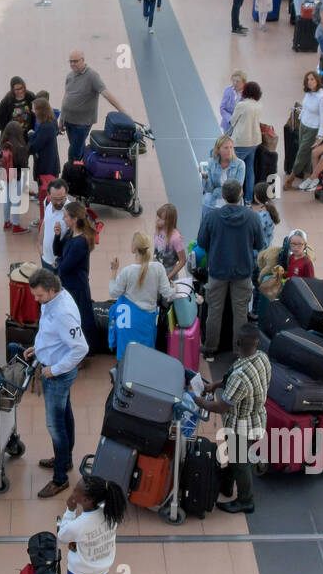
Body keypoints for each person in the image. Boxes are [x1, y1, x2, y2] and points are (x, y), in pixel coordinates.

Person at [24, 269, 89, 498]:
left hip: (58, 376)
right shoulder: (52, 301)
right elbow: (48, 331)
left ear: (52, 290)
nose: (36, 299)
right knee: (65, 414)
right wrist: (38, 348)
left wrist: (54, 369)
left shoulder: (63, 312)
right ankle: (65, 459)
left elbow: (81, 348)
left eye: (39, 295)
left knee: (55, 427)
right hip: (54, 368)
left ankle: (60, 478)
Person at [191, 325, 269, 513]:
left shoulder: (240, 377)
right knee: (236, 457)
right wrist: (215, 385)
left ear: (238, 342)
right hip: (257, 418)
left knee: (239, 462)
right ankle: (226, 486)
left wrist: (199, 402)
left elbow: (221, 407)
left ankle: (246, 500)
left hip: (240, 426)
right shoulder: (262, 358)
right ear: (257, 343)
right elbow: (231, 376)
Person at [197, 180, 265, 358]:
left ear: (224, 196)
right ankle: (238, 351)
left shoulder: (212, 217)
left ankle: (210, 348)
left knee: (214, 310)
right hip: (242, 271)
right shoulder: (252, 217)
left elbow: (201, 242)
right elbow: (260, 243)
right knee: (241, 312)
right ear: (241, 194)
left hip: (217, 271)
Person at [109, 232, 175, 359]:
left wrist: (113, 270)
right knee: (145, 357)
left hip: (127, 322)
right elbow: (168, 294)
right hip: (147, 322)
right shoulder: (158, 268)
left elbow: (113, 292)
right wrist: (175, 289)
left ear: (134, 248)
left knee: (126, 356)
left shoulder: (127, 272)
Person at [56, 475, 126, 574]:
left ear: (86, 500)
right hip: (103, 570)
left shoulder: (78, 525)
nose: (73, 492)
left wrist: (70, 510)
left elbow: (62, 536)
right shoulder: (111, 513)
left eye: (76, 490)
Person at [60, 51, 127, 163]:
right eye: (70, 61)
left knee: (73, 152)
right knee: (76, 147)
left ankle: (72, 173)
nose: (73, 64)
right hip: (68, 120)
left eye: (75, 61)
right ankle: (82, 167)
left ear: (83, 60)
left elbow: (105, 93)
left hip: (82, 123)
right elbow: (66, 97)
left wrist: (122, 111)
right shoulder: (70, 75)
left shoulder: (92, 76)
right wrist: (61, 119)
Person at [53, 202, 99, 347]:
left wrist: (58, 262)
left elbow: (64, 267)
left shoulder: (80, 242)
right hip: (71, 285)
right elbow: (58, 251)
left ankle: (82, 352)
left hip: (76, 287)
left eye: (66, 216)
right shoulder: (70, 232)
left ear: (74, 219)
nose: (63, 218)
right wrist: (57, 236)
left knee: (79, 321)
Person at [283, 71, 323, 191]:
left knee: (301, 154)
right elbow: (305, 108)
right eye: (308, 80)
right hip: (303, 125)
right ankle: (308, 176)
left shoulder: (322, 97)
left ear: (317, 80)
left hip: (313, 129)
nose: (310, 82)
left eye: (312, 79)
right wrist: (300, 116)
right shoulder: (308, 93)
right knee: (304, 152)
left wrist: (320, 136)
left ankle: (291, 179)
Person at [227, 81, 263, 199]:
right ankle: (248, 199)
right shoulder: (259, 105)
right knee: (249, 169)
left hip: (241, 142)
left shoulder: (241, 105)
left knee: (234, 168)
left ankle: (234, 196)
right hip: (254, 141)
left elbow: (232, 121)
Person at [29, 98, 61, 222]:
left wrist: (30, 135)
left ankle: (45, 219)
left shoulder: (45, 127)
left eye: (34, 108)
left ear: (40, 111)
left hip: (45, 167)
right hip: (51, 165)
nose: (32, 111)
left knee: (45, 196)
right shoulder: (51, 123)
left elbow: (34, 147)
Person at [0, 120, 30, 234]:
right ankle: (16, 225)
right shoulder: (20, 146)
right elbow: (23, 165)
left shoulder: (3, 144)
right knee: (15, 200)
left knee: (6, 199)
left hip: (5, 175)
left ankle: (6, 221)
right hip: (15, 176)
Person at [202, 134, 245, 212]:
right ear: (218, 150)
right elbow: (209, 189)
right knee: (206, 203)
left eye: (231, 147)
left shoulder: (240, 164)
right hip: (213, 200)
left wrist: (217, 191)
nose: (229, 150)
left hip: (232, 200)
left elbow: (236, 189)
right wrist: (204, 176)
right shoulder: (210, 163)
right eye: (226, 148)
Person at [154, 203, 188, 282]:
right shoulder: (159, 230)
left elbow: (182, 260)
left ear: (169, 221)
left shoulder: (176, 238)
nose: (157, 220)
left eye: (161, 218)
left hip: (168, 273)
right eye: (158, 217)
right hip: (157, 270)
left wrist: (168, 277)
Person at [40, 178, 69, 271]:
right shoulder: (47, 202)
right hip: (45, 258)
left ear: (66, 194)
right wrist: (39, 245)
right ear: (49, 195)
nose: (59, 202)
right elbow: (45, 223)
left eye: (62, 198)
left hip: (58, 264)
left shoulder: (70, 211)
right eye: (55, 199)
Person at [251, 183, 279, 250]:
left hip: (261, 250)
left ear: (256, 197)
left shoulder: (261, 216)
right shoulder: (270, 209)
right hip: (268, 245)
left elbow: (255, 234)